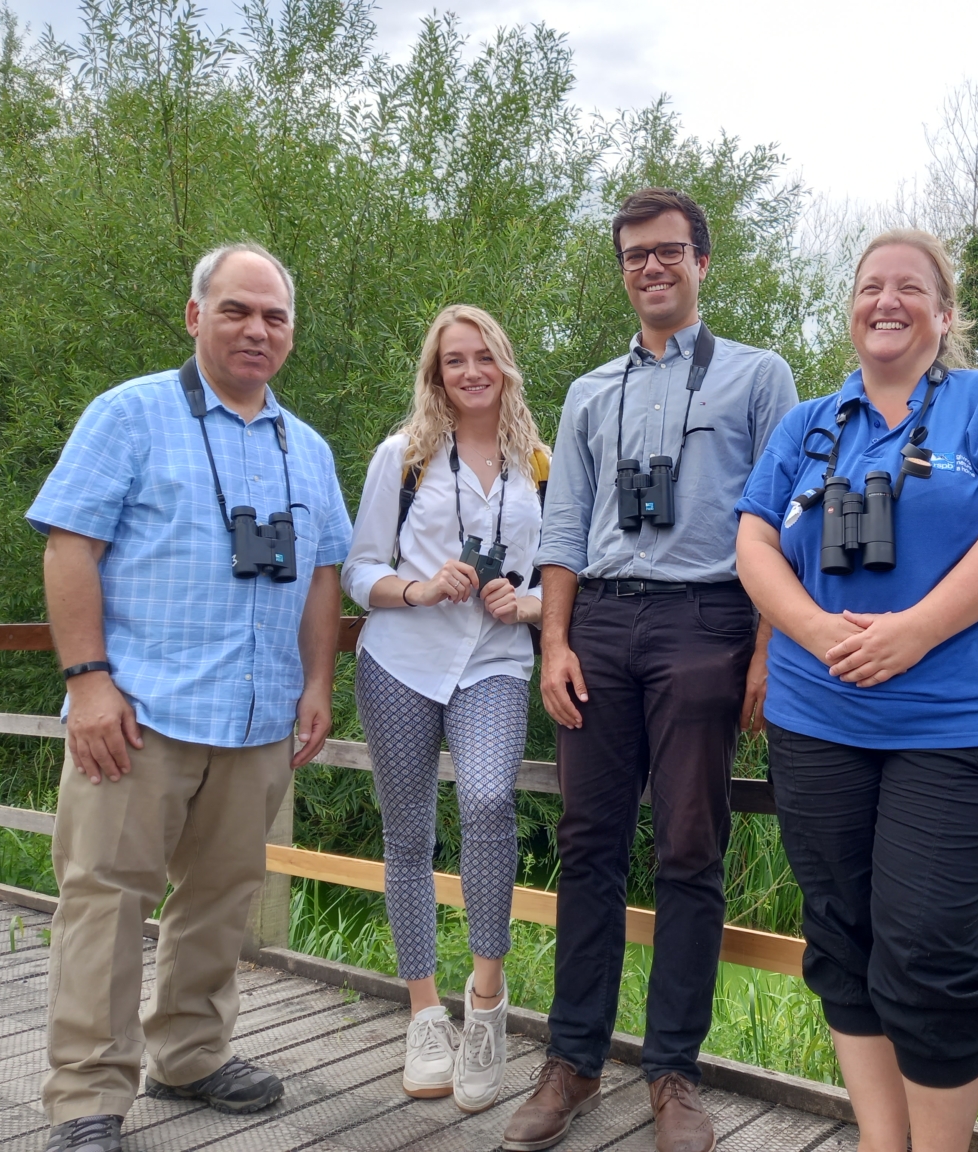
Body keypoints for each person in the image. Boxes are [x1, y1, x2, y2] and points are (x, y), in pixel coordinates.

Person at [734, 228, 978, 1152]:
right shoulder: (808, 424)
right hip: (818, 718)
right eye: (869, 286)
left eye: (910, 288)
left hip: (967, 720)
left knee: (928, 945)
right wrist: (809, 631)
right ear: (849, 308)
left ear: (944, 313)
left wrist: (917, 630)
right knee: (842, 940)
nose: (887, 301)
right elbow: (753, 543)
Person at [27, 242, 353, 1152]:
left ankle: (191, 1055)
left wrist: (318, 684)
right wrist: (88, 683)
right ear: (195, 315)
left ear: (290, 331)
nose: (257, 330)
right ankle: (87, 1098)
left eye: (274, 316)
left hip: (257, 718)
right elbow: (68, 547)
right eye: (237, 310)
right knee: (106, 900)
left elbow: (325, 575)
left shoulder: (308, 445)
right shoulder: (128, 415)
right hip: (137, 714)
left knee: (221, 897)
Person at [502, 188, 798, 1152]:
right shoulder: (590, 392)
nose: (651, 269)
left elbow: (784, 519)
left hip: (707, 620)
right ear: (622, 270)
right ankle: (573, 1062)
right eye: (634, 256)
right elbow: (561, 529)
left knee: (687, 849)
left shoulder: (758, 379)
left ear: (702, 263)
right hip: (599, 628)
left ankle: (674, 1073)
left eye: (669, 252)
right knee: (587, 845)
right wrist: (554, 639)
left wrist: (765, 646)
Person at [341, 304, 549, 1112]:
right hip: (401, 660)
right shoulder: (404, 456)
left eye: (483, 357)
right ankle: (425, 1012)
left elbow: (560, 574)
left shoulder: (538, 460)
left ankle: (488, 1001)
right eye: (452, 360)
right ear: (435, 374)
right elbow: (360, 568)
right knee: (408, 835)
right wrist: (421, 587)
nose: (469, 372)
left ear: (504, 364)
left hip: (494, 661)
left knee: (492, 801)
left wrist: (527, 607)